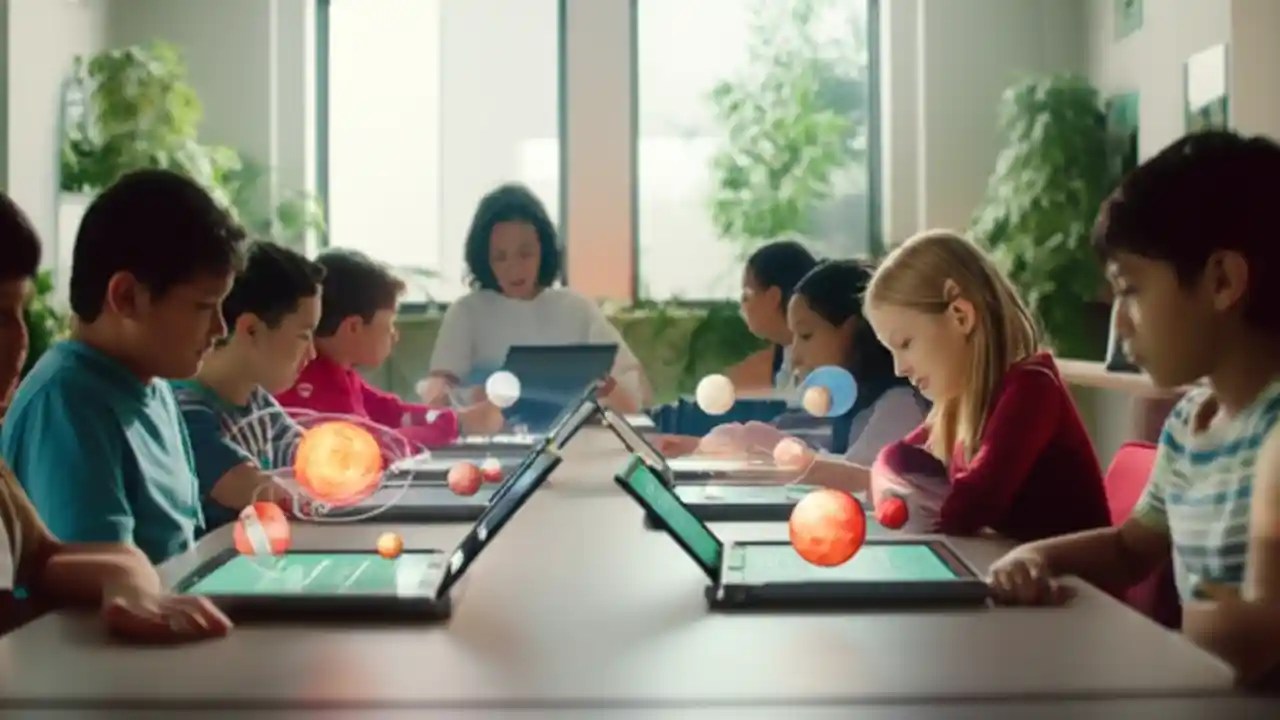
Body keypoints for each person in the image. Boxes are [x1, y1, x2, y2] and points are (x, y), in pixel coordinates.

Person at [986, 131, 1280, 689]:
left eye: (1130, 290)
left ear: (1222, 281)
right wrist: (1038, 558)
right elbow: (1128, 549)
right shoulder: (1190, 426)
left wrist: (1196, 632)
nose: (1118, 323)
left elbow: (1259, 633)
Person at [0, 190, 231, 643]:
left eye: (18, 312)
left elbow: (46, 559)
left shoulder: (156, 389)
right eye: (204, 306)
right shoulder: (65, 400)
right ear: (125, 297)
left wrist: (124, 574)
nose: (21, 340)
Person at [861, 230, 1110, 540]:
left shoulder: (1033, 388)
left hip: (1074, 572)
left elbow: (967, 508)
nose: (899, 368)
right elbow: (896, 460)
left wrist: (897, 473)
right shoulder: (958, 404)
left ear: (961, 316)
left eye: (905, 344)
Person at [655, 260, 927, 474]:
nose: (795, 356)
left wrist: (774, 447)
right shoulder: (856, 409)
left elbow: (860, 480)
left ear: (854, 330)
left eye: (806, 336)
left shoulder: (900, 405)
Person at [420, 183, 650, 414]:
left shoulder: (577, 309)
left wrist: (607, 390)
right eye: (500, 257)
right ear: (484, 259)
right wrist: (472, 396)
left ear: (543, 250)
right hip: (492, 431)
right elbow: (439, 391)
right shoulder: (467, 312)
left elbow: (635, 386)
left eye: (525, 254)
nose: (514, 268)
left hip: (572, 430)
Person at [275, 249, 499, 445]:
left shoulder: (339, 375)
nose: (395, 335)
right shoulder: (320, 386)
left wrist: (457, 419)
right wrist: (455, 426)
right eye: (389, 324)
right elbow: (376, 449)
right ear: (353, 327)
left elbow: (393, 414)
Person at [172, 241, 324, 531]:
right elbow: (245, 485)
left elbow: (303, 454)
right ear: (251, 329)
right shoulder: (183, 409)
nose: (312, 353)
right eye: (304, 335)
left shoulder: (257, 401)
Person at [725, 239, 819, 393]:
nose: (742, 304)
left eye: (747, 295)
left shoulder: (820, 358)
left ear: (773, 297)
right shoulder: (782, 354)